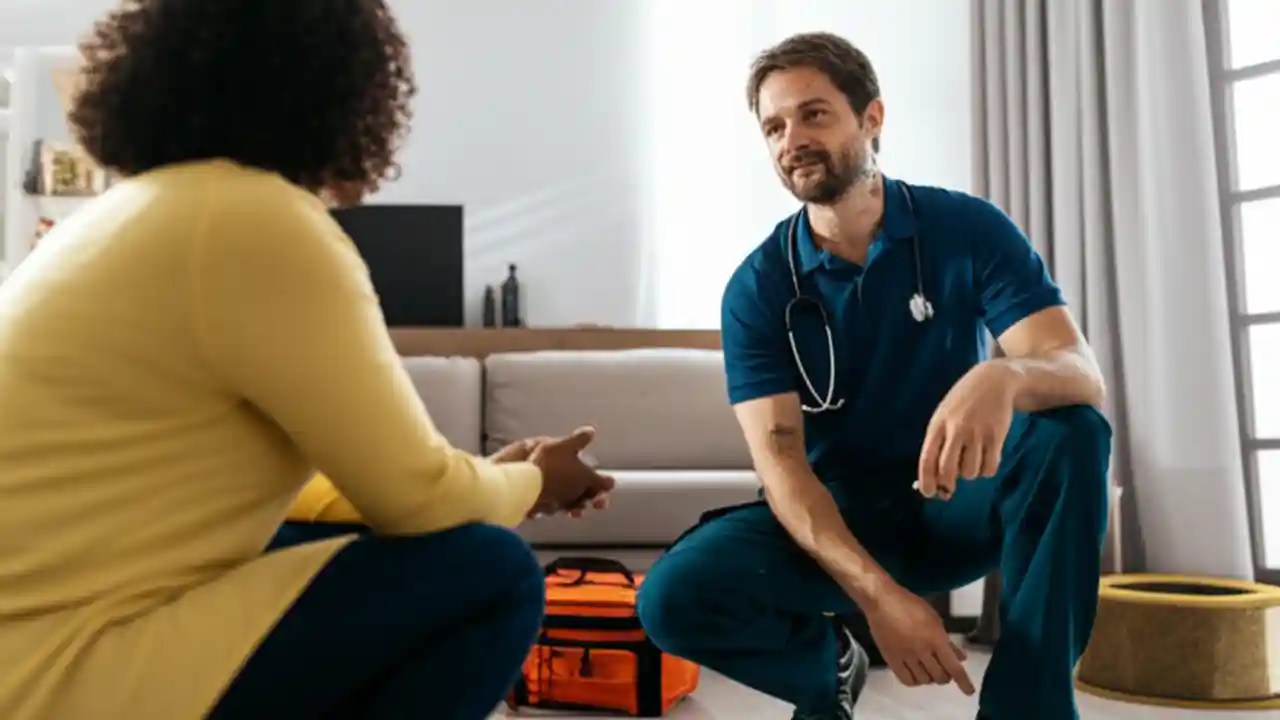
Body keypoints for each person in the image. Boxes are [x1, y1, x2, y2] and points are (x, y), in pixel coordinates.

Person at [0, 2, 613, 719]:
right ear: (337, 92)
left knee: (383, 537)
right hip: (63, 670)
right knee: (489, 573)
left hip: (28, 648)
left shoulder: (132, 213)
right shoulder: (258, 221)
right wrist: (534, 481)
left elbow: (302, 493)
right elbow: (416, 498)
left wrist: (498, 480)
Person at [636, 32, 1112, 720]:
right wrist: (878, 598)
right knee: (670, 597)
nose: (790, 138)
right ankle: (824, 670)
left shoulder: (966, 229)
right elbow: (782, 467)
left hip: (956, 503)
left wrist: (1003, 380)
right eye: (774, 125)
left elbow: (1079, 371)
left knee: (1073, 434)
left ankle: (1028, 709)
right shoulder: (759, 287)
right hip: (838, 522)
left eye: (814, 114)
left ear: (873, 118)